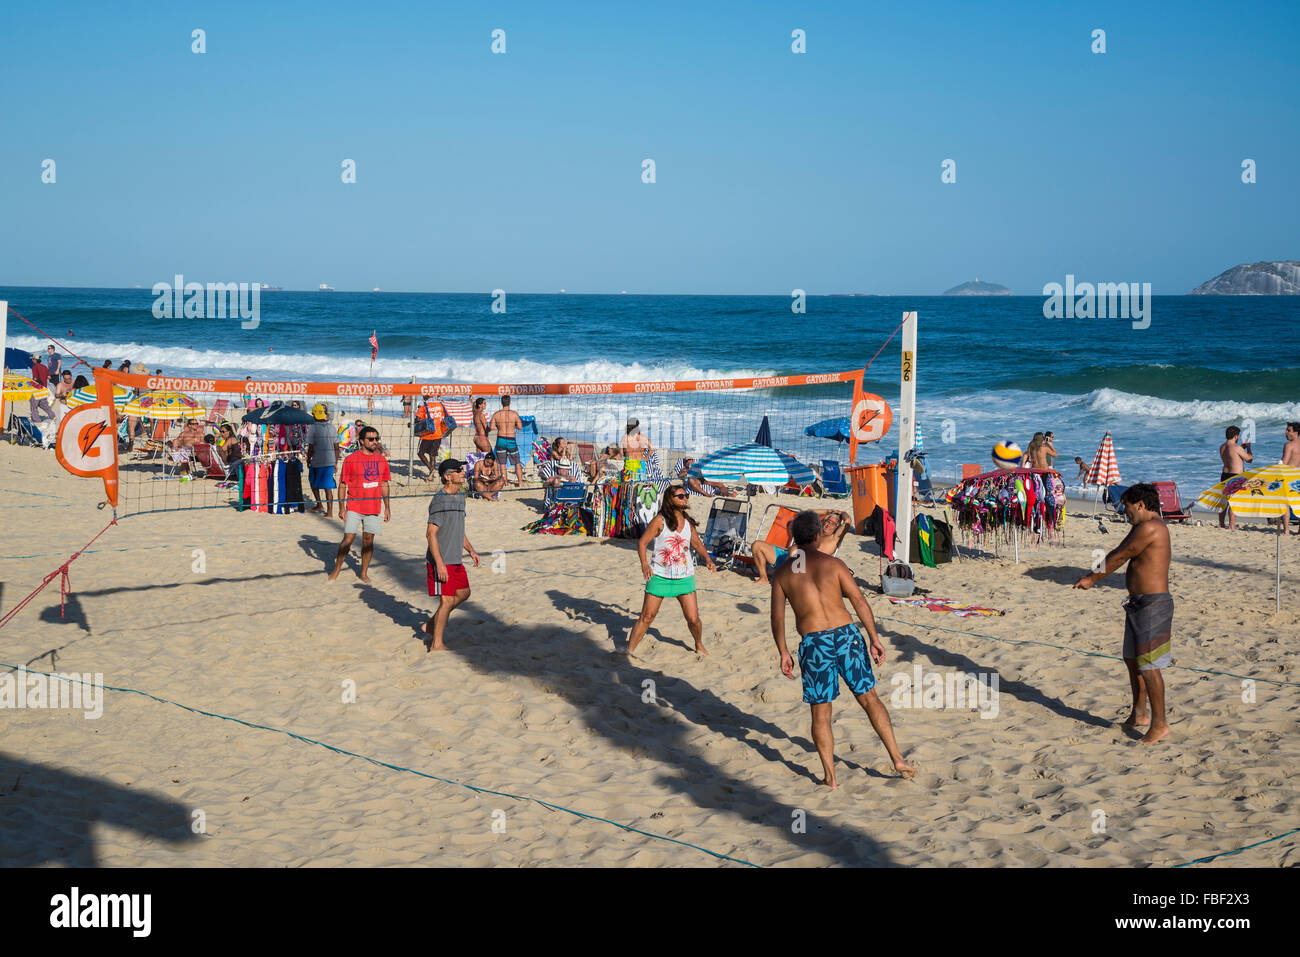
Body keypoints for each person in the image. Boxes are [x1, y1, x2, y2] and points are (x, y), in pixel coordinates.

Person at [770, 510, 915, 787]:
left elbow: (777, 617)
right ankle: (897, 758)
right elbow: (859, 600)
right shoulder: (833, 564)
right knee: (870, 699)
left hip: (815, 644)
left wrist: (783, 651)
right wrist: (874, 637)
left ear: (793, 537)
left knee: (821, 713)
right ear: (816, 535)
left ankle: (831, 777)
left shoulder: (783, 573)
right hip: (846, 636)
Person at [1074, 483, 1174, 744]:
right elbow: (1117, 552)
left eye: (1127, 507)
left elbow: (1122, 556)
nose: (1124, 512)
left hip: (1153, 604)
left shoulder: (1152, 527)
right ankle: (1139, 714)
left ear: (1140, 505)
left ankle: (1160, 724)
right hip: (1137, 603)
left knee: (1149, 665)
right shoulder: (1140, 527)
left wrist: (1092, 579)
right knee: (1132, 659)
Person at [626, 485, 717, 657]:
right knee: (647, 617)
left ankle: (698, 644)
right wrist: (644, 565)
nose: (685, 499)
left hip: (684, 576)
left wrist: (708, 560)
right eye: (680, 496)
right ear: (670, 499)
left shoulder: (688, 523)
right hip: (659, 575)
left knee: (693, 619)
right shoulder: (659, 521)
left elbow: (696, 544)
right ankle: (629, 650)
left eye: (686, 495)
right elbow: (642, 543)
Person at [423, 459, 481, 651]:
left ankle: (432, 625)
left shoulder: (460, 497)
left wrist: (470, 549)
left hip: (455, 558)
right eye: (458, 470)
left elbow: (458, 529)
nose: (463, 472)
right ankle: (437, 644)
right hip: (441, 559)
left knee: (464, 593)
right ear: (448, 477)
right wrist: (439, 563)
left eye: (462, 469)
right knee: (446, 601)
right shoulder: (440, 500)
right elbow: (430, 533)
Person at [328, 426, 391, 583]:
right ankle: (336, 569)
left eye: (377, 439)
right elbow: (342, 485)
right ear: (362, 441)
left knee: (368, 541)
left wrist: (387, 507)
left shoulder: (381, 460)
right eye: (371, 439)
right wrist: (342, 508)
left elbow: (384, 484)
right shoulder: (351, 459)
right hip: (354, 505)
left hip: (373, 507)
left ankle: (363, 573)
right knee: (348, 539)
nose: (375, 442)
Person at [753, 509, 850, 585]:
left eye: (833, 524)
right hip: (788, 557)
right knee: (757, 545)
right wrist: (827, 511)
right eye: (828, 521)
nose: (828, 525)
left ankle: (785, 580)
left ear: (837, 527)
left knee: (796, 550)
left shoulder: (834, 538)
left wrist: (842, 513)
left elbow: (848, 520)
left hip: (806, 566)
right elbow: (803, 514)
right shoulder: (816, 530)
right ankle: (764, 578)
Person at [306, 403, 340, 516]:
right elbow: (337, 448)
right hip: (330, 461)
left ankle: (320, 504)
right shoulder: (332, 427)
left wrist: (308, 459)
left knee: (313, 482)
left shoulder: (313, 428)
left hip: (317, 461)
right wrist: (335, 463)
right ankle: (328, 511)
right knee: (327, 487)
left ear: (315, 415)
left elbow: (310, 447)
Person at [1218, 426, 1253, 531]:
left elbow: (1231, 455)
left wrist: (1242, 448)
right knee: (1233, 501)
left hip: (1225, 474)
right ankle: (1232, 525)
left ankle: (1221, 523)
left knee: (1224, 500)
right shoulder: (1237, 448)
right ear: (1236, 436)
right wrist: (1249, 448)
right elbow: (1249, 459)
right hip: (1235, 476)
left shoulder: (1222, 447)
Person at [489, 395, 524, 487]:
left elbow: (492, 427)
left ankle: (506, 483)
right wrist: (513, 426)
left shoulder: (496, 414)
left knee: (502, 463)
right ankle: (520, 482)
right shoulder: (514, 414)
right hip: (511, 439)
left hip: (500, 439)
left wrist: (500, 427)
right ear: (510, 402)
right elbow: (520, 427)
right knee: (517, 462)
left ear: (501, 402)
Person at [414, 394, 450, 479]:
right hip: (439, 433)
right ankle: (432, 475)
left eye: (423, 395)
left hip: (428, 433)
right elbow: (446, 416)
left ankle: (431, 469)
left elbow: (418, 419)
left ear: (426, 397)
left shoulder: (423, 405)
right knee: (432, 454)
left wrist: (412, 423)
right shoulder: (440, 405)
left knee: (421, 453)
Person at [28, 355, 54, 423]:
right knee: (44, 404)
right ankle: (52, 416)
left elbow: (35, 379)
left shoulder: (34, 367)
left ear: (35, 360)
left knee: (34, 405)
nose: (32, 360)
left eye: (32, 359)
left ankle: (37, 420)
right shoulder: (44, 366)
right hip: (44, 389)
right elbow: (49, 377)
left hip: (37, 388)